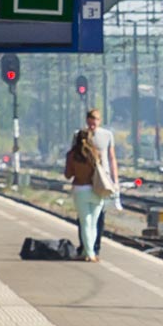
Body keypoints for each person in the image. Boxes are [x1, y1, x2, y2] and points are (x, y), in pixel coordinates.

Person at [59, 108, 110, 260]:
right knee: (93, 224)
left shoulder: (71, 155)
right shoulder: (96, 154)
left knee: (85, 223)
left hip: (80, 190)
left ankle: (89, 253)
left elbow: (68, 175)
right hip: (96, 191)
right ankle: (89, 251)